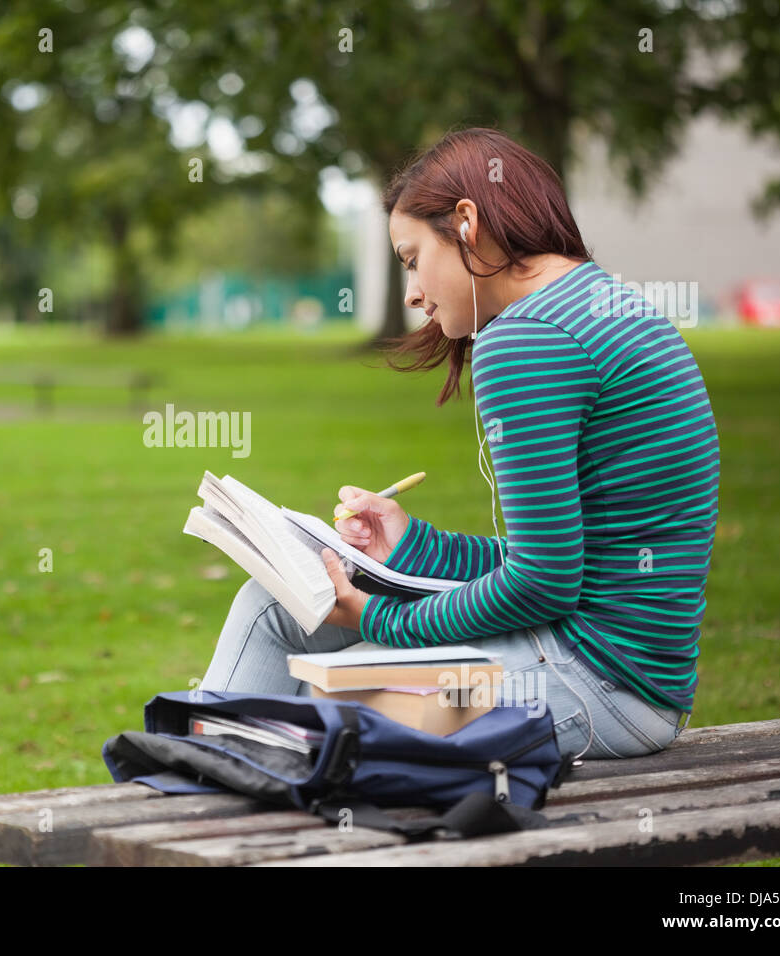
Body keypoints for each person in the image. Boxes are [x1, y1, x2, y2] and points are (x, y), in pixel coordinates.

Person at [199, 127, 721, 761]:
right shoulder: (605, 304)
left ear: (466, 222)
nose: (414, 294)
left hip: (598, 682)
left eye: (413, 258)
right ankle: (199, 789)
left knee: (312, 718)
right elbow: (566, 560)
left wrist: (373, 619)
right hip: (607, 666)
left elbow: (543, 585)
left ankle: (199, 811)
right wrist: (417, 547)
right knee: (273, 608)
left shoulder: (526, 339)